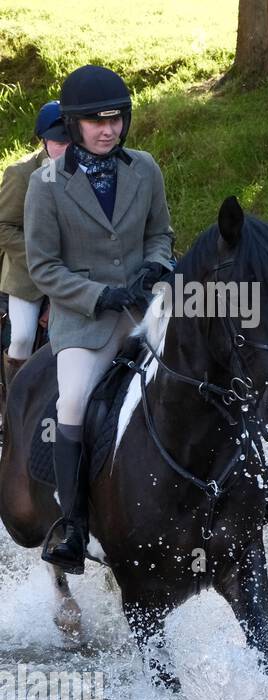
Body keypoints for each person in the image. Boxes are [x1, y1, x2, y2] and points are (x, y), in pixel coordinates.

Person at [23, 65, 175, 574]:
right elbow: (44, 267)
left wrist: (156, 264)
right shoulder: (45, 185)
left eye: (114, 119)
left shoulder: (146, 168)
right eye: (95, 122)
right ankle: (72, 524)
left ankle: (254, 487)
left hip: (147, 311)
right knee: (73, 401)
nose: (107, 129)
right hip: (85, 322)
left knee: (210, 372)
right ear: (74, 125)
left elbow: (161, 233)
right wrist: (102, 294)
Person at [0, 101, 69, 427]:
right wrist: (43, 261)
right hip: (27, 272)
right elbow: (3, 227)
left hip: (72, 272)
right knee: (24, 337)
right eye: (58, 141)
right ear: (43, 140)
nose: (65, 148)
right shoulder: (21, 173)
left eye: (71, 140)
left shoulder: (84, 171)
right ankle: (14, 409)